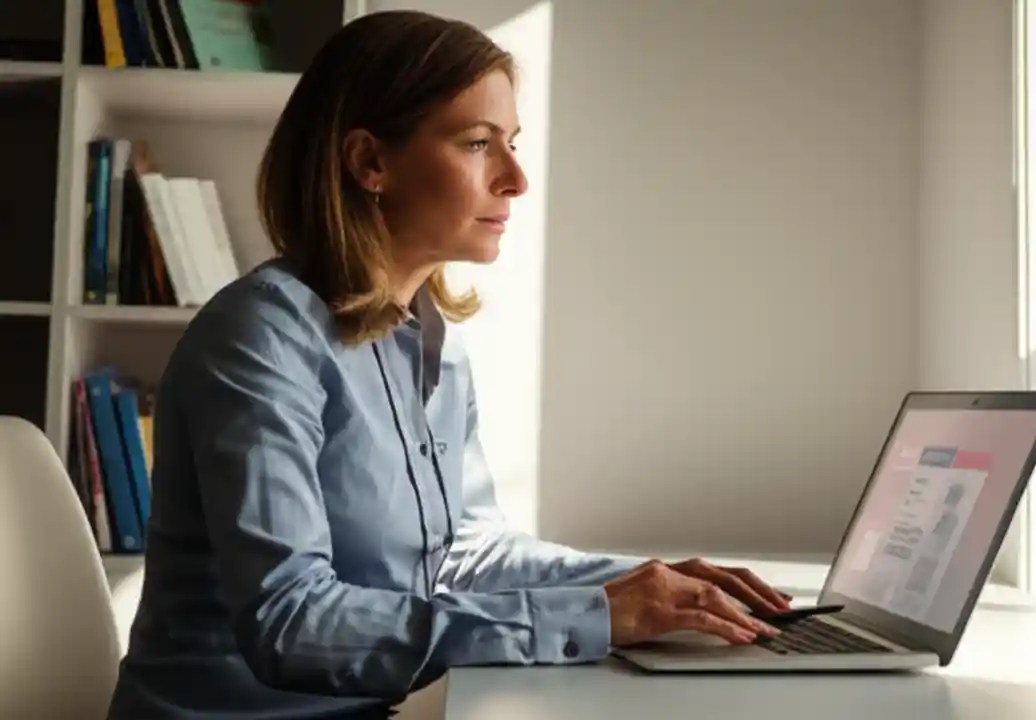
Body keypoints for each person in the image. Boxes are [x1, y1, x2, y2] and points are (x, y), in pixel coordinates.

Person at [108, 11, 790, 719]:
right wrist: (591, 616)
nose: (517, 179)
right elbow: (291, 622)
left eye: (512, 144)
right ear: (370, 162)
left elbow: (462, 555)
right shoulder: (260, 340)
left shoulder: (430, 342)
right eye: (477, 144)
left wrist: (649, 587)